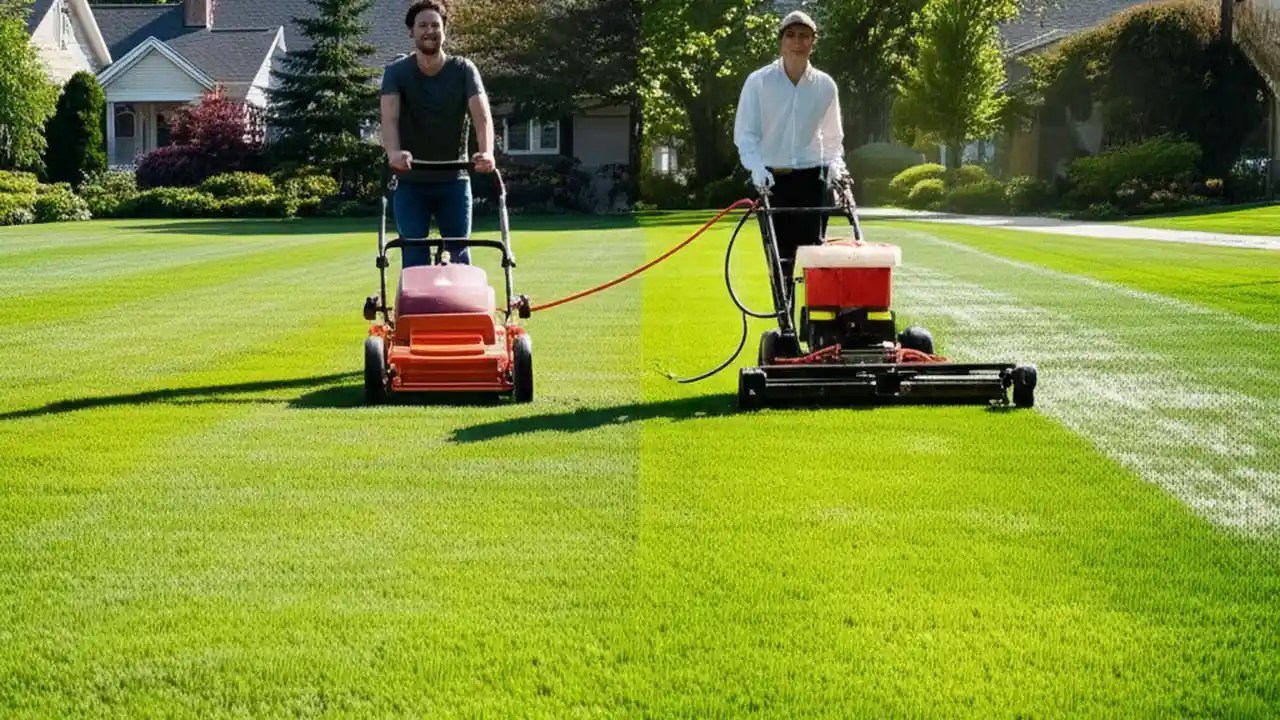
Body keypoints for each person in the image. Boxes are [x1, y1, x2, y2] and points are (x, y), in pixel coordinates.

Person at [733, 10, 847, 306]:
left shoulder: (825, 86)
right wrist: (756, 167)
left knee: (814, 257)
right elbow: (745, 134)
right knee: (781, 262)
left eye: (804, 36)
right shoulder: (759, 82)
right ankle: (786, 331)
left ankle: (817, 325)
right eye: (791, 35)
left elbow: (833, 138)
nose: (798, 42)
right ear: (781, 42)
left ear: (813, 42)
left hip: (813, 179)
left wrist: (836, 167)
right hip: (772, 182)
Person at [380, 0, 495, 267]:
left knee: (459, 253)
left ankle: (461, 308)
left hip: (454, 179)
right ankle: (414, 308)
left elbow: (481, 116)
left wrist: (486, 152)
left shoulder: (464, 70)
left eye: (435, 25)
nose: (429, 31)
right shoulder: (397, 72)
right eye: (422, 25)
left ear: (444, 30)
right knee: (414, 253)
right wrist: (393, 153)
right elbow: (389, 118)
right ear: (411, 31)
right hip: (410, 181)